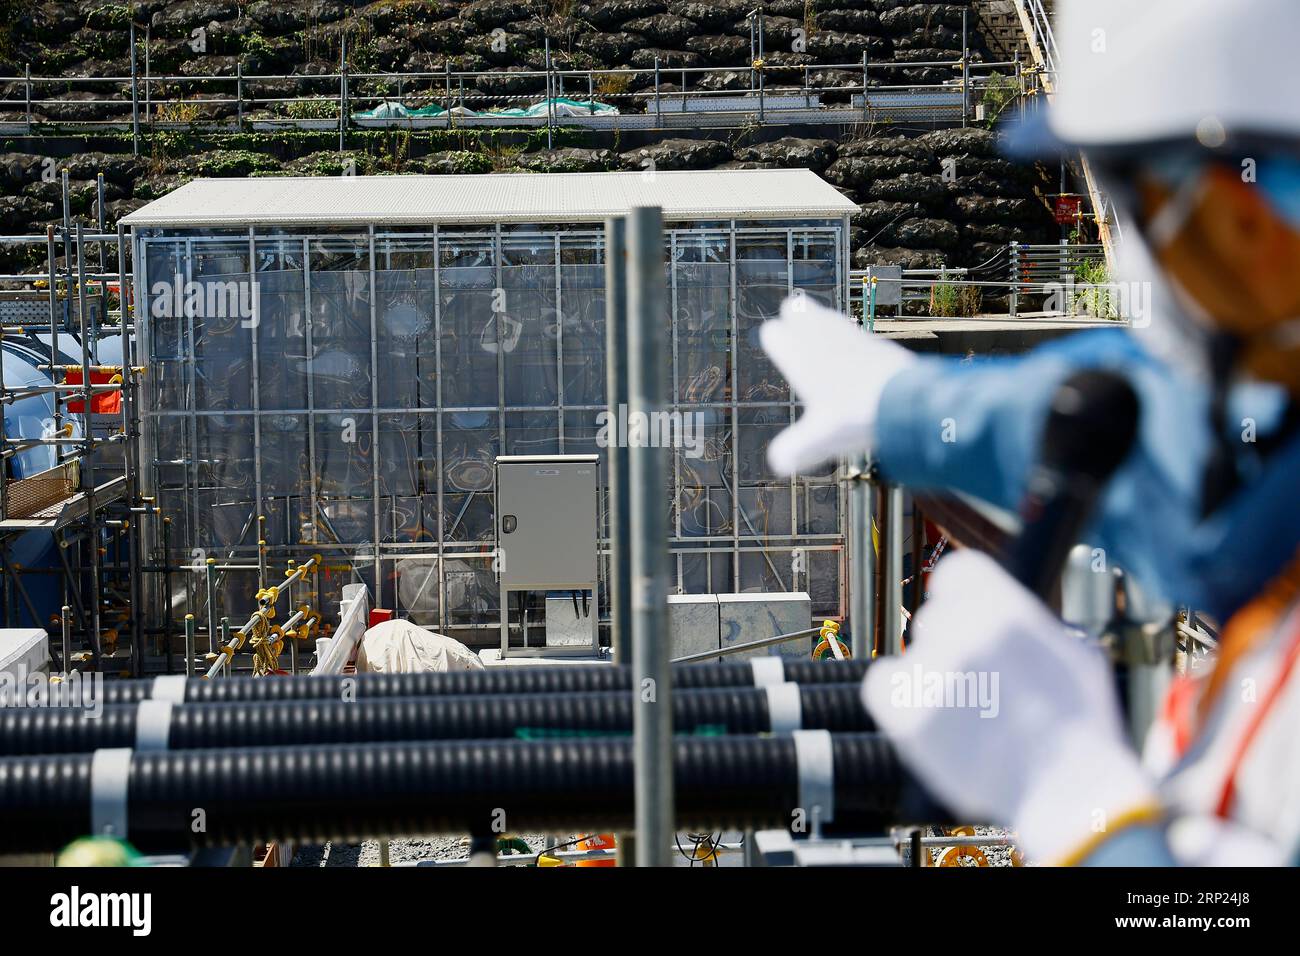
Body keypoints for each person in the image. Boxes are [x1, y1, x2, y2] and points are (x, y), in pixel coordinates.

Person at [761, 0, 1300, 864]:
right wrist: (909, 404)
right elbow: (1152, 434)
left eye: (1132, 190)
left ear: (1238, 224)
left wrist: (1072, 794)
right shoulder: (1267, 422)